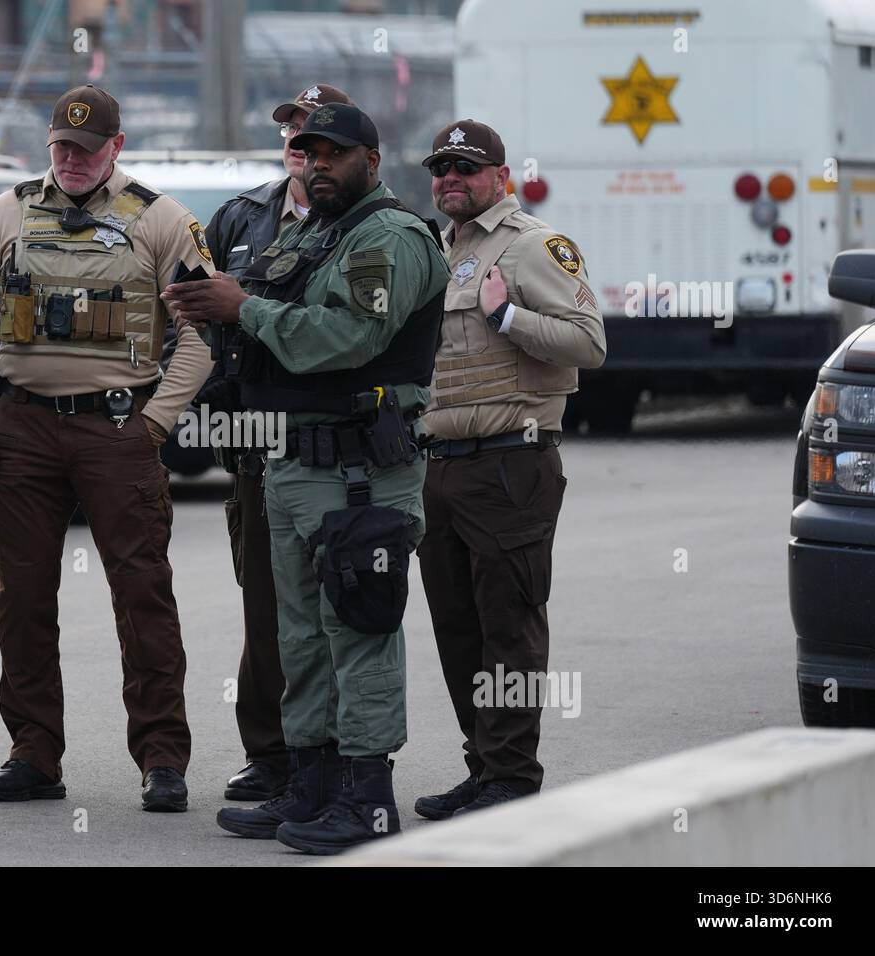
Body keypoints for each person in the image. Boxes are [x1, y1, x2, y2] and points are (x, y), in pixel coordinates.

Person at [164, 103, 450, 854]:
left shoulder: (388, 236)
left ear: (371, 159)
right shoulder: (306, 232)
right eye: (305, 150)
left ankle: (368, 801)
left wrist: (244, 306)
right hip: (292, 462)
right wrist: (208, 309)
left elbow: (349, 338)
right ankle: (312, 785)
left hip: (359, 471)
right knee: (301, 639)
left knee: (358, 631)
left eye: (333, 152)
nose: (318, 163)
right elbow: (266, 328)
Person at [0, 85, 214, 812]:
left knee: (142, 594)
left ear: (116, 148)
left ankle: (161, 759)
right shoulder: (3, 215)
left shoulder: (162, 221)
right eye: (62, 146)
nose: (73, 160)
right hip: (21, 428)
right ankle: (32, 754)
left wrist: (157, 422)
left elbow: (204, 335)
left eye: (87, 150)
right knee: (21, 597)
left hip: (119, 425)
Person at [411, 120, 605, 820]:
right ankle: (483, 765)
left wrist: (508, 316)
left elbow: (589, 342)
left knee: (509, 630)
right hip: (440, 467)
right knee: (457, 628)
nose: (450, 179)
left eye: (465, 167)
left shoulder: (532, 246)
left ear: (499, 174)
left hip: (510, 464)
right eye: (441, 168)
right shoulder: (437, 250)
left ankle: (513, 778)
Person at [203, 83, 354, 803]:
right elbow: (195, 312)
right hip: (256, 442)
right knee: (267, 608)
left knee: (343, 607)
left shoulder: (367, 223)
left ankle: (339, 758)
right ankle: (270, 755)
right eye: (294, 131)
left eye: (317, 135)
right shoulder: (240, 216)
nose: (301, 144)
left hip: (338, 443)